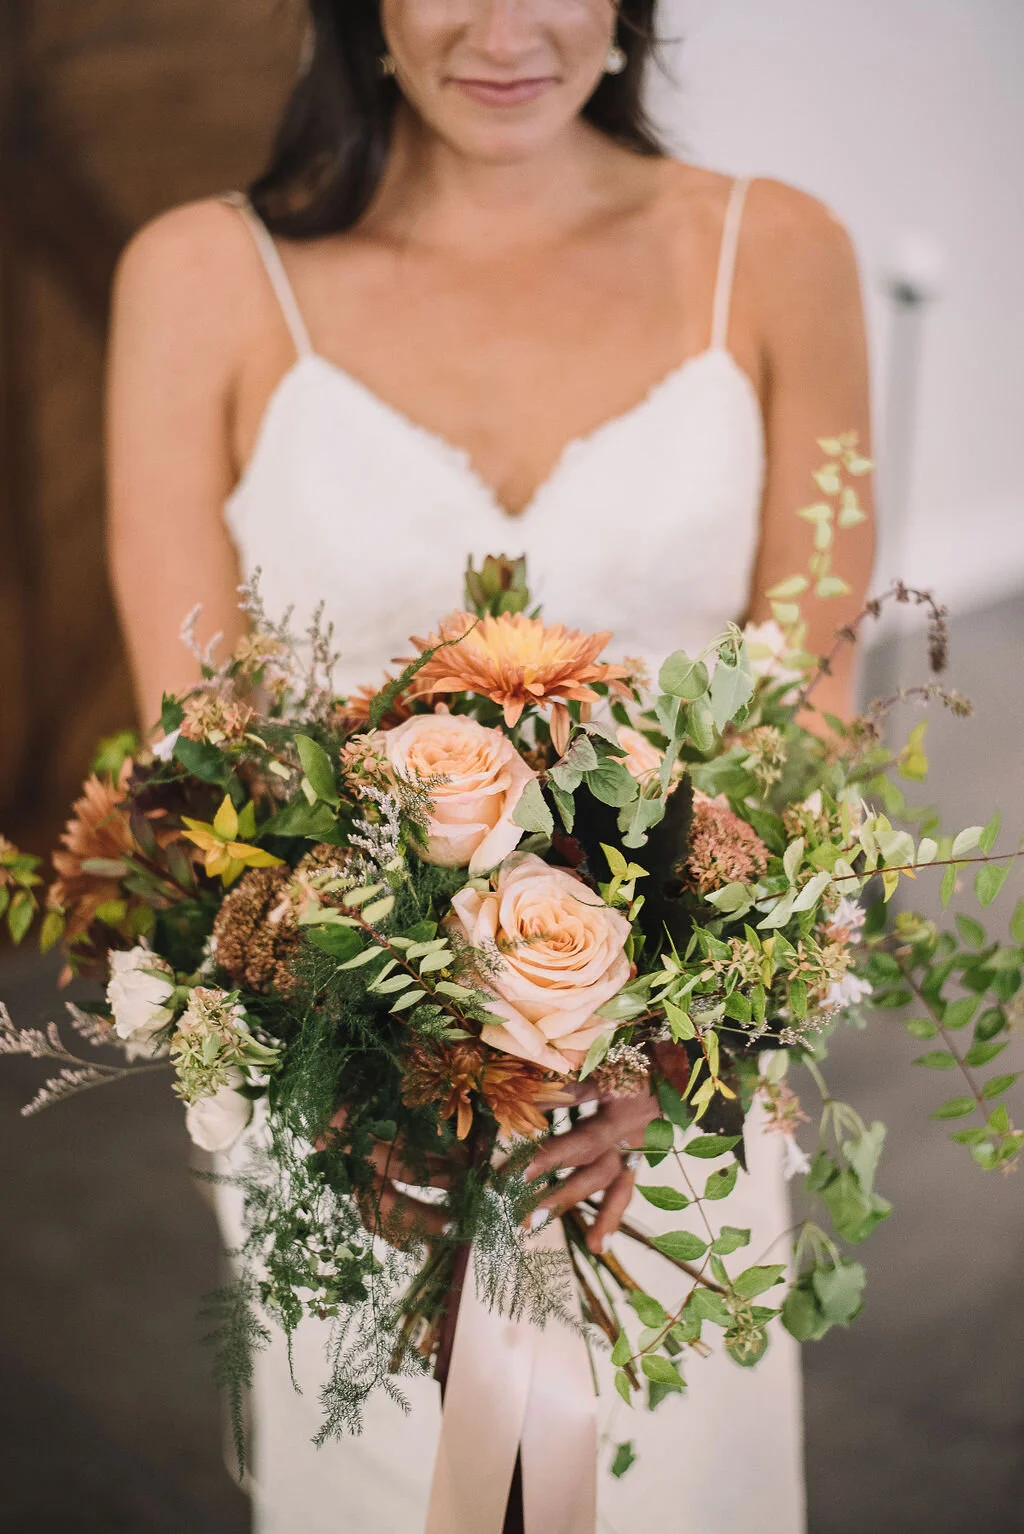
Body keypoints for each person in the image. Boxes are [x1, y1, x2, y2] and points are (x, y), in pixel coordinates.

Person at [106, 2, 874, 1529]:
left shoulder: (778, 251)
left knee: (679, 1478)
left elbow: (809, 714)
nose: (506, 27)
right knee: (375, 1472)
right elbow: (197, 762)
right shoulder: (199, 275)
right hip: (342, 1069)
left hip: (675, 1071)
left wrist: (663, 1052)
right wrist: (359, 1058)